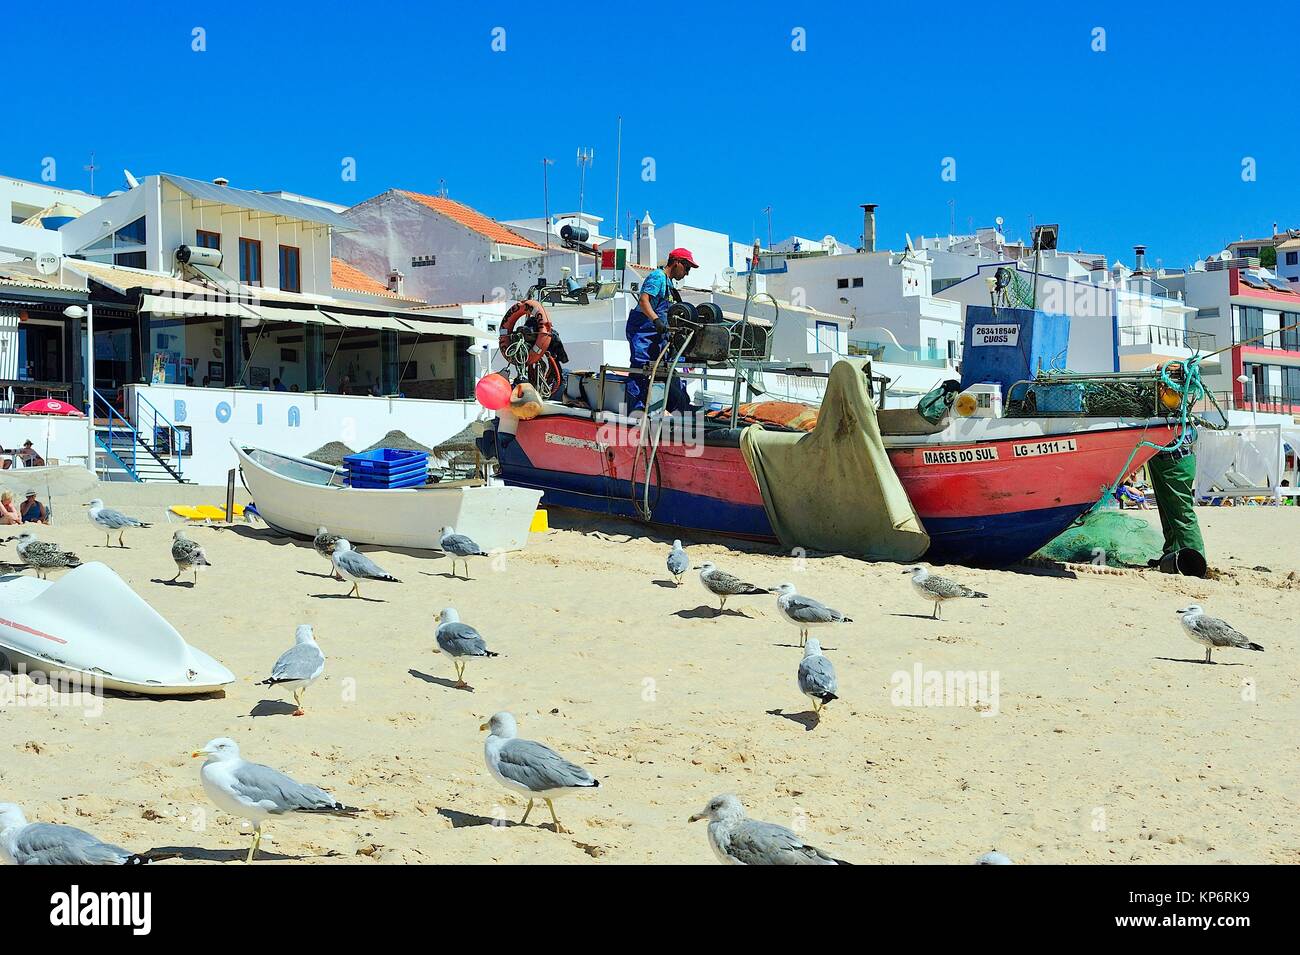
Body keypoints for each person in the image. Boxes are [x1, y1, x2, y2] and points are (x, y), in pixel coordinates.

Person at [624, 248, 698, 413]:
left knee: (665, 372)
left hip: (657, 336)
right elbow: (644, 301)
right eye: (686, 268)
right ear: (677, 262)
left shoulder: (669, 284)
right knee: (642, 371)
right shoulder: (657, 277)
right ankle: (638, 411)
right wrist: (656, 320)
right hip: (643, 333)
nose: (687, 273)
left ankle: (675, 408)